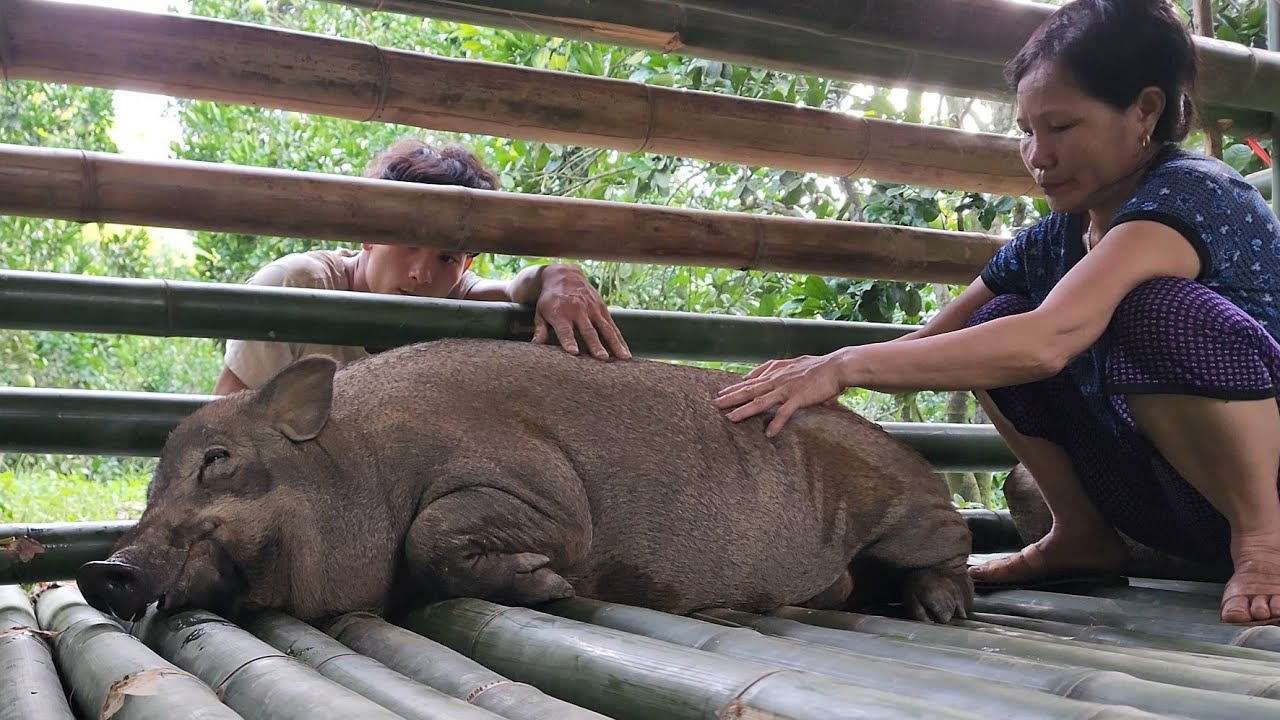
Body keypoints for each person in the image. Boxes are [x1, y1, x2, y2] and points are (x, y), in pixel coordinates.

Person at [714, 0, 1280, 624]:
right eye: (1027, 130)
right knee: (992, 326)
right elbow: (936, 337)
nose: (1039, 155)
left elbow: (1048, 340)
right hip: (1178, 501)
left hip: (1262, 490)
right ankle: (1080, 535)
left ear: (1145, 111)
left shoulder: (1192, 194)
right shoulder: (1061, 233)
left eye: (1061, 128)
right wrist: (813, 390)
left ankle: (1263, 545)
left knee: (1152, 310)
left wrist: (843, 363)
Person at [213, 139, 630, 394]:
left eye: (446, 257)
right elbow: (224, 422)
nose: (421, 273)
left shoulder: (455, 296)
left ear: (465, 262)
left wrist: (556, 275)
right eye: (409, 244)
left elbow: (508, 290)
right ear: (369, 236)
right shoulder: (295, 284)